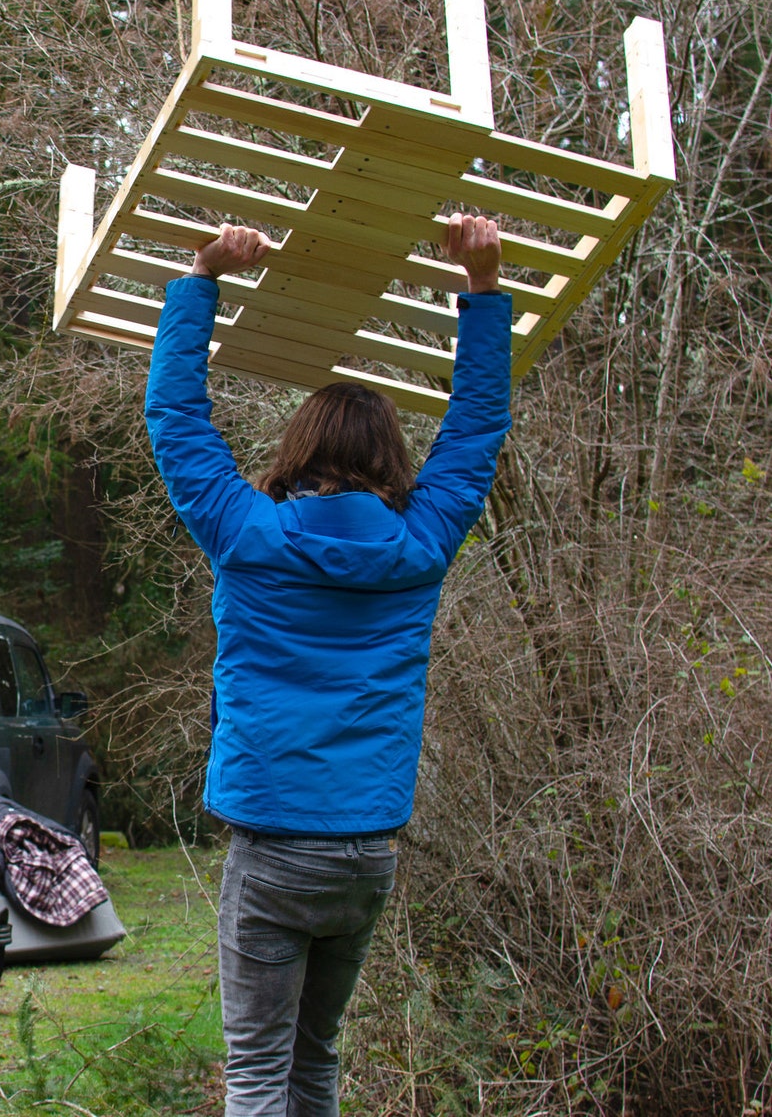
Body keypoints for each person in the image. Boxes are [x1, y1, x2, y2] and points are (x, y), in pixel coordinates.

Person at [144, 215, 512, 1116]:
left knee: (260, 1077)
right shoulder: (420, 543)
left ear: (298, 451)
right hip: (367, 854)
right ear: (391, 460)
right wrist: (483, 287)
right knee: (316, 1064)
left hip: (274, 847)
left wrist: (201, 277)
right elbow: (474, 432)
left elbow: (176, 418)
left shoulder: (249, 535)